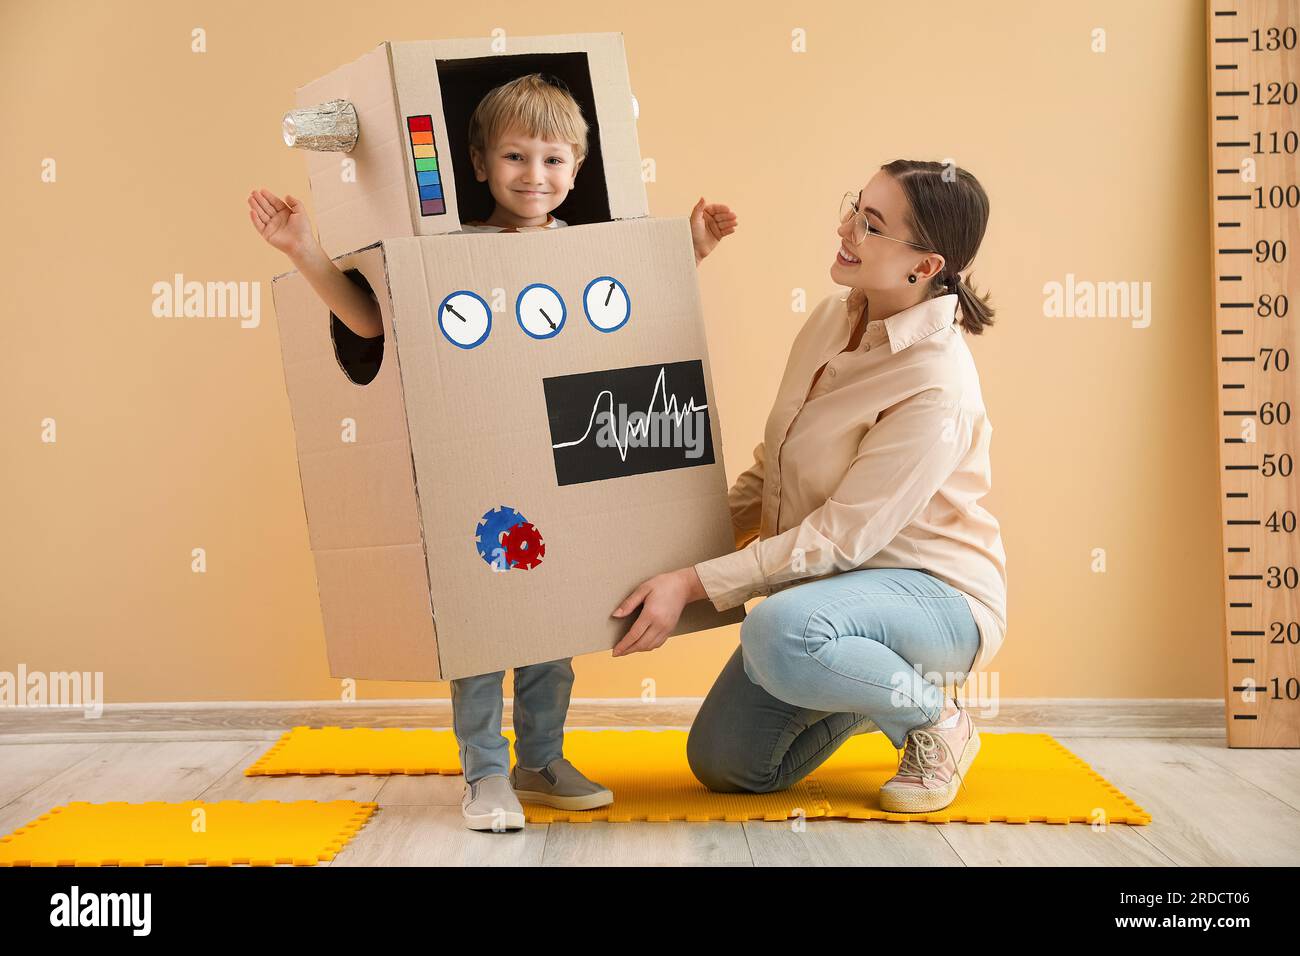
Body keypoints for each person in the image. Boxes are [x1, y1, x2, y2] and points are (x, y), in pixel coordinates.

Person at [248, 72, 738, 831]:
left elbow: (643, 301)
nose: (534, 176)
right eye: (515, 158)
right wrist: (305, 249)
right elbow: (373, 322)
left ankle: (540, 759)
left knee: (551, 632)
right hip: (482, 474)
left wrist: (696, 245)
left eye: (552, 160)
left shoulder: (588, 248)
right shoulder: (448, 251)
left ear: (576, 169)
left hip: (563, 470)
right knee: (484, 629)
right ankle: (484, 775)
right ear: (478, 163)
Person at [610, 159, 1007, 814]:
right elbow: (772, 474)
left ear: (925, 266)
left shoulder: (938, 384)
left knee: (777, 634)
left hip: (936, 596)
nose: (845, 228)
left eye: (871, 225)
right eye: (856, 208)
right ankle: (881, 687)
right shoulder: (829, 319)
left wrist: (695, 583)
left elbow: (840, 539)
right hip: (835, 599)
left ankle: (936, 720)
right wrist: (674, 552)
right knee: (727, 765)